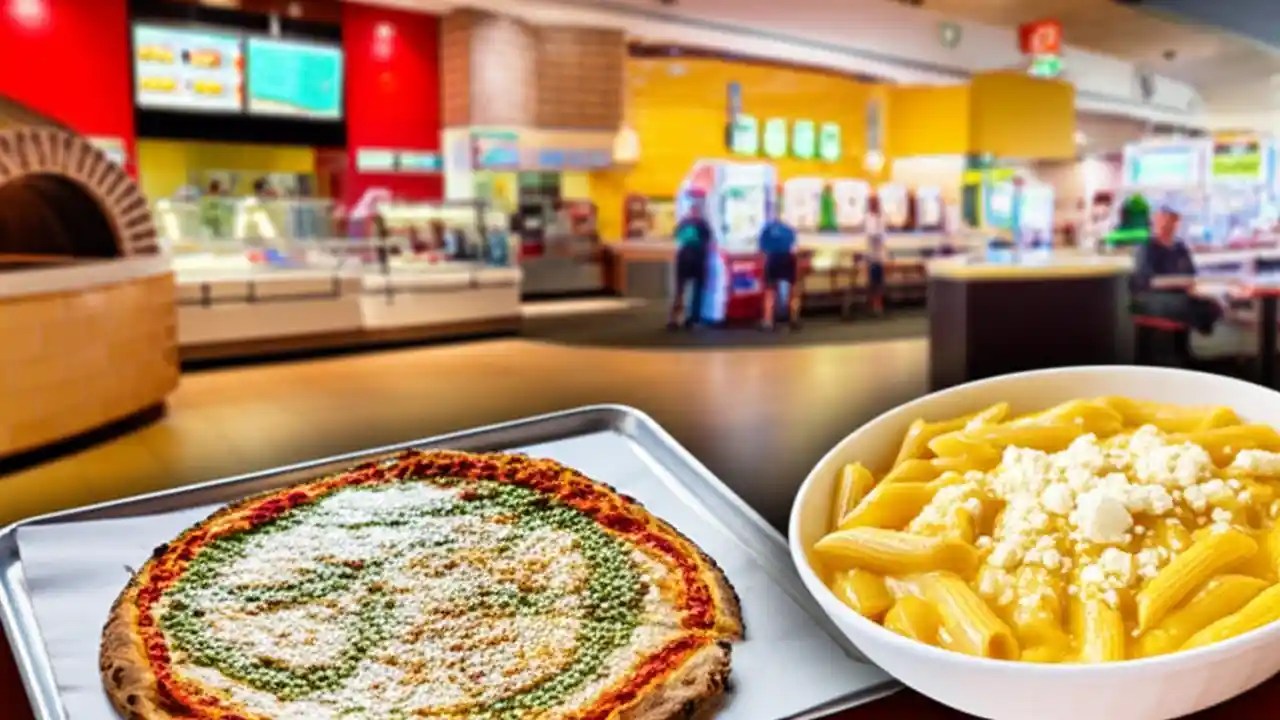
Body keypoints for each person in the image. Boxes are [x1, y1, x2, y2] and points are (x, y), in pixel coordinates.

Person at [1131, 207, 1221, 335]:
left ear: (1176, 223)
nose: (1164, 225)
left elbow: (1191, 275)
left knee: (1212, 306)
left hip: (1180, 294)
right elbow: (1147, 281)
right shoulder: (1146, 247)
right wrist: (1177, 283)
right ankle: (1186, 345)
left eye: (1169, 221)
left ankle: (1196, 344)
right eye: (1161, 221)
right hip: (1151, 297)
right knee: (1189, 307)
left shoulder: (1180, 247)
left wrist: (1192, 287)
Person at [667, 193, 713, 330]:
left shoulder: (683, 223)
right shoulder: (703, 224)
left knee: (679, 289)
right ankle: (693, 318)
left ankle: (674, 318)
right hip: (698, 259)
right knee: (697, 289)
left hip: (683, 258)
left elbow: (676, 237)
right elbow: (708, 240)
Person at [759, 207, 801, 331]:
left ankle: (768, 321)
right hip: (788, 259)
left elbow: (762, 247)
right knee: (793, 290)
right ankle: (794, 319)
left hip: (773, 259)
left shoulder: (766, 230)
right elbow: (794, 246)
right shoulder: (789, 230)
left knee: (770, 291)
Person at [863, 196, 888, 317]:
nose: (874, 205)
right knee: (872, 281)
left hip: (880, 254)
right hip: (870, 254)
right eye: (872, 203)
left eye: (876, 203)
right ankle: (871, 304)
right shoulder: (867, 218)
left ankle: (879, 305)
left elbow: (883, 235)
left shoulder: (882, 217)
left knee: (880, 281)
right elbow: (868, 234)